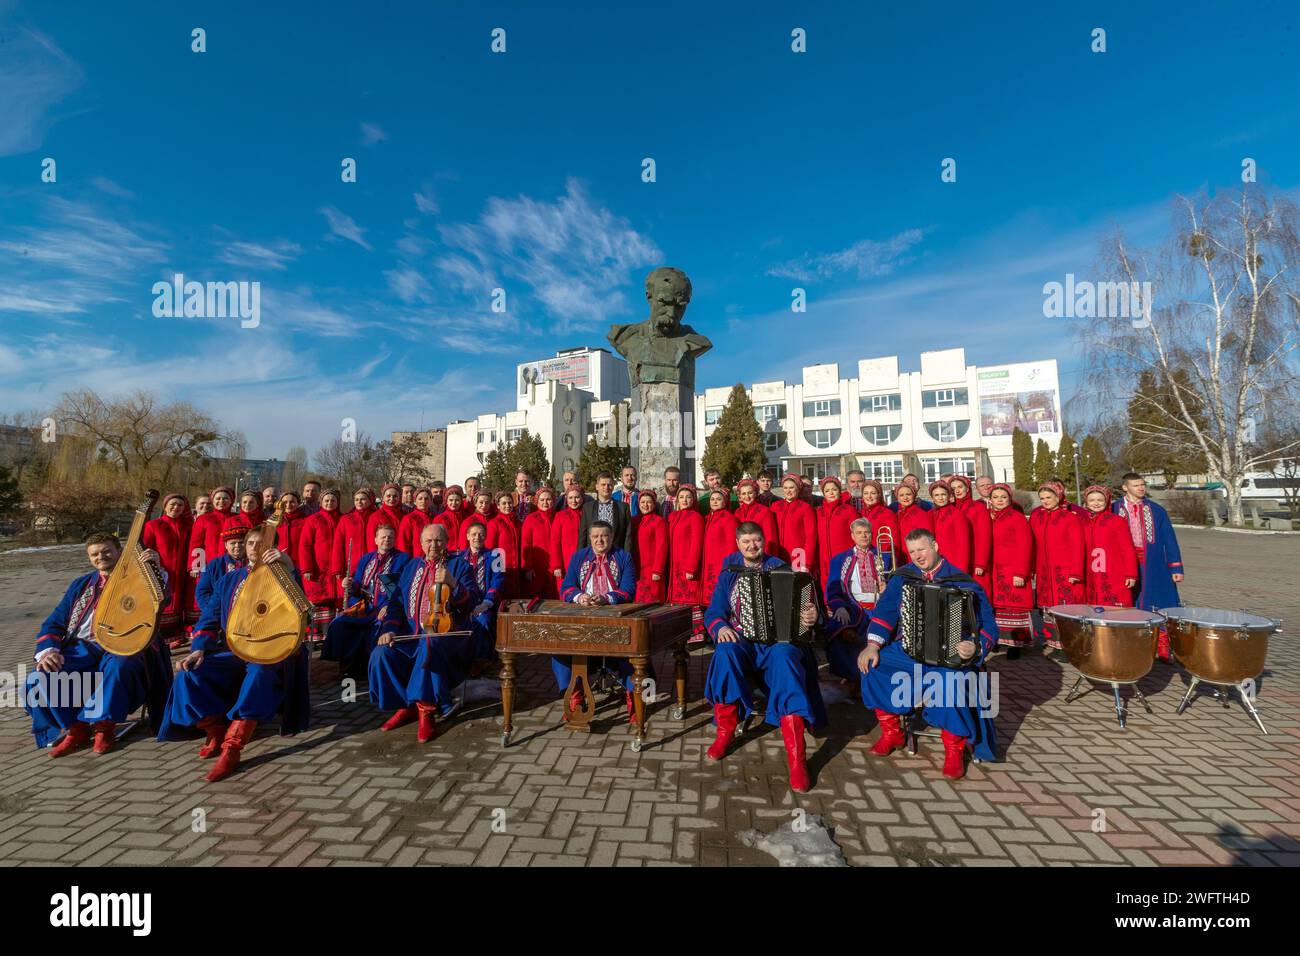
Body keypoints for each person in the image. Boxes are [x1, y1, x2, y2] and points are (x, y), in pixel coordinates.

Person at [158, 523, 310, 782]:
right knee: (187, 673)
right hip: (233, 648)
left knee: (260, 671)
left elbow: (303, 609)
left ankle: (233, 746)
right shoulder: (229, 580)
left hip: (271, 649)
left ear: (272, 549)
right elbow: (210, 618)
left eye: (261, 544)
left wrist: (289, 566)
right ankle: (215, 728)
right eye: (251, 543)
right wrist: (198, 649)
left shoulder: (283, 577)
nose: (254, 549)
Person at [857, 528, 998, 780]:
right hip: (910, 649)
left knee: (950, 682)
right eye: (912, 552)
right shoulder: (903, 577)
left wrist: (974, 647)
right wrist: (872, 645)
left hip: (952, 654)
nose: (917, 556)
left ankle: (953, 749)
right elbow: (886, 611)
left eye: (921, 549)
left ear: (935, 545)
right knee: (872, 666)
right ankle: (892, 733)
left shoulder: (962, 581)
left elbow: (988, 625)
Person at [703, 522, 826, 793]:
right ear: (738, 544)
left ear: (763, 540)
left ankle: (797, 760)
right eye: (746, 542)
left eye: (756, 540)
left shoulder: (781, 567)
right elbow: (713, 612)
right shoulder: (730, 572)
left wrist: (811, 616)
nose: (751, 546)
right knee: (725, 652)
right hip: (742, 640)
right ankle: (725, 732)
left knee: (785, 658)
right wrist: (721, 627)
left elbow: (808, 608)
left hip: (777, 643)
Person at [25, 532, 173, 754]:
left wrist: (155, 569)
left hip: (125, 643)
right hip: (83, 646)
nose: (101, 557)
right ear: (89, 557)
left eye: (106, 551)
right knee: (39, 677)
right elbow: (55, 622)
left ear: (119, 553)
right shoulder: (81, 584)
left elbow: (163, 597)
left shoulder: (139, 578)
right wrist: (48, 652)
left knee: (120, 666)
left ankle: (104, 726)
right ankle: (77, 728)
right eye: (95, 554)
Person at [369, 523, 478, 741]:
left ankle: (426, 710)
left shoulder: (459, 566)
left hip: (449, 636)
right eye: (428, 541)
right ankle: (407, 705)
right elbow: (396, 603)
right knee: (381, 654)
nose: (433, 545)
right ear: (421, 544)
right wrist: (389, 629)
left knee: (430, 643)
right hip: (411, 633)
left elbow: (472, 601)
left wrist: (453, 583)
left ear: (446, 542)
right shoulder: (410, 567)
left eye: (438, 540)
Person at [554, 521, 642, 723]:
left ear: (611, 537)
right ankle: (574, 693)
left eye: (604, 536)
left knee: (634, 646)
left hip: (615, 617)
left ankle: (632, 695)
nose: (600, 540)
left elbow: (628, 590)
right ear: (590, 538)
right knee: (559, 647)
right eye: (596, 536)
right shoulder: (579, 557)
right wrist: (579, 597)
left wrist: (607, 598)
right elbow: (566, 587)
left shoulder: (624, 557)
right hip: (584, 616)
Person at [322, 524, 410, 677]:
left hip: (386, 607)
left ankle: (370, 667)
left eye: (390, 537)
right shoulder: (366, 559)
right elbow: (358, 585)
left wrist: (390, 606)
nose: (386, 540)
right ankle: (347, 667)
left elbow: (404, 587)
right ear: (376, 539)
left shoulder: (403, 559)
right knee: (339, 623)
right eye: (383, 537)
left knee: (376, 626)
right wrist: (349, 585)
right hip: (364, 606)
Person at [823, 518, 886, 687]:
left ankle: (879, 673)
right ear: (852, 536)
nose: (864, 536)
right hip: (853, 606)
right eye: (859, 533)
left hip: (879, 607)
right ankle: (852, 673)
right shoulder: (840, 559)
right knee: (837, 628)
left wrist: (886, 588)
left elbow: (894, 585)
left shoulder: (884, 557)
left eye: (867, 532)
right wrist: (840, 607)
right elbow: (833, 588)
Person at [1114, 472, 1184, 611]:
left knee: (1155, 597)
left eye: (1142, 485)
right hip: (1121, 561)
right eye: (1136, 485)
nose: (1141, 488)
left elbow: (1169, 540)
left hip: (1152, 561)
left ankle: (1156, 628)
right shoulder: (1114, 509)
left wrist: (1176, 567)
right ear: (1125, 487)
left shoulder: (1157, 510)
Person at [1030, 482, 1086, 653]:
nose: (1045, 501)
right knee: (1047, 608)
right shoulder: (1036, 516)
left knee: (1065, 607)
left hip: (1065, 570)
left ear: (1058, 497)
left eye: (1049, 497)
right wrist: (1032, 568)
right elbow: (1031, 544)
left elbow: (1078, 546)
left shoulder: (1070, 517)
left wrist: (1076, 571)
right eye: (1042, 498)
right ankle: (1053, 642)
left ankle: (1068, 645)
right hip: (1044, 570)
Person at [143, 492, 195, 648]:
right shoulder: (153, 525)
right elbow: (146, 547)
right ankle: (158, 637)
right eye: (172, 504)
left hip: (182, 571)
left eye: (180, 505)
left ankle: (177, 635)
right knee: (163, 600)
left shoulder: (188, 525)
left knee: (180, 600)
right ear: (165, 507)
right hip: (163, 570)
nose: (176, 507)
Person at [987, 483, 1035, 652]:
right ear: (990, 500)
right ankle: (1000, 639)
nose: (999, 500)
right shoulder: (991, 516)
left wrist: (1021, 572)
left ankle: (1016, 644)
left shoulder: (1016, 517)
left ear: (1010, 499)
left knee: (1015, 607)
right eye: (996, 497)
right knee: (1000, 607)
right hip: (996, 571)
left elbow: (1025, 545)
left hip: (1013, 570)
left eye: (1003, 497)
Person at [1083, 485, 1139, 607]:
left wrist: (1131, 574)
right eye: (1092, 500)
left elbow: (1128, 549)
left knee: (1113, 607)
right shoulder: (1084, 522)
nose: (1096, 503)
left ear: (1107, 501)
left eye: (1100, 500)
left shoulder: (1117, 521)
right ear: (1086, 502)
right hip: (1091, 573)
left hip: (1114, 572)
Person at [297, 487, 342, 638]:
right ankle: (317, 636)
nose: (330, 503)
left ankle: (334, 635)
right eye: (326, 500)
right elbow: (305, 545)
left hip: (337, 569)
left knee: (337, 602)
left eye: (333, 500)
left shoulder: (343, 518)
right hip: (318, 569)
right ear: (321, 502)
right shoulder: (313, 520)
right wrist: (307, 568)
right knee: (320, 602)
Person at [460, 520, 505, 664]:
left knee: (483, 620)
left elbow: (498, 580)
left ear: (485, 537)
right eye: (473, 534)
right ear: (467, 536)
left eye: (481, 534)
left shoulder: (496, 555)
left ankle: (481, 660)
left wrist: (486, 602)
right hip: (463, 603)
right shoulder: (458, 557)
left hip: (484, 602)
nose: (477, 537)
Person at [667, 485, 707, 641]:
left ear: (693, 499)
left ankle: (696, 633)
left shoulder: (696, 517)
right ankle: (678, 632)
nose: (685, 500)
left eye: (688, 497)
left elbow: (697, 543)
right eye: (682, 497)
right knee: (677, 599)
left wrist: (691, 567)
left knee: (689, 598)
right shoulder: (673, 516)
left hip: (687, 565)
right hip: (674, 565)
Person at [950, 475, 992, 596]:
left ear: (967, 488)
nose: (957, 491)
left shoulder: (978, 507)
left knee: (978, 590)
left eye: (960, 487)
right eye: (953, 489)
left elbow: (985, 536)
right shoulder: (951, 508)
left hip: (976, 556)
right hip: (958, 557)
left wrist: (981, 562)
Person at [771, 474, 817, 575]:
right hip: (778, 555)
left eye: (792, 487)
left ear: (798, 488)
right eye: (785, 488)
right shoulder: (775, 506)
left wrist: (806, 562)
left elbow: (811, 537)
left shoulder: (805, 508)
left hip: (797, 556)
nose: (788, 491)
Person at [578, 472, 634, 554]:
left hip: (616, 554)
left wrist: (627, 556)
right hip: (593, 555)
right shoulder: (587, 508)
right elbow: (583, 535)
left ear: (613, 486)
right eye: (603, 485)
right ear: (597, 486)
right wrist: (581, 556)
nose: (606, 487)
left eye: (609, 485)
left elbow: (628, 535)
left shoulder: (623, 507)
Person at [815, 476, 857, 583]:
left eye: (834, 489)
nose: (831, 493)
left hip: (844, 556)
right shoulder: (818, 512)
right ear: (823, 493)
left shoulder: (849, 510)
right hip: (823, 558)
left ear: (839, 491)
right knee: (826, 586)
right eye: (827, 490)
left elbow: (857, 533)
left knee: (845, 585)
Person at [189, 485, 236, 582]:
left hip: (232, 565)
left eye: (225, 498)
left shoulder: (237, 518)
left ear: (231, 501)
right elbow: (196, 543)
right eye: (218, 498)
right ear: (213, 501)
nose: (221, 501)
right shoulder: (204, 519)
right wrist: (196, 565)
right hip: (208, 564)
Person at [701, 488, 741, 601]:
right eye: (712, 499)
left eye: (718, 499)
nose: (715, 502)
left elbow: (732, 545)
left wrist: (729, 566)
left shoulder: (729, 519)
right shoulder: (707, 519)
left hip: (721, 564)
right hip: (709, 563)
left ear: (725, 501)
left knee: (722, 596)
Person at [330, 488, 376, 584]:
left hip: (374, 564)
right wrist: (338, 568)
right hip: (352, 566)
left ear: (370, 501)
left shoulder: (376, 516)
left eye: (363, 499)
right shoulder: (346, 519)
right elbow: (338, 544)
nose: (359, 502)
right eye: (356, 499)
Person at [928, 480, 973, 574]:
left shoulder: (957, 515)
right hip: (933, 562)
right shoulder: (929, 514)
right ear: (932, 498)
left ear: (949, 496)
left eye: (943, 494)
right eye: (936, 495)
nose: (940, 498)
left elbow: (963, 544)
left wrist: (961, 570)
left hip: (952, 562)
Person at [520, 486, 558, 599]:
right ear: (537, 501)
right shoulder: (531, 519)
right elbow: (526, 544)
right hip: (537, 567)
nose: (545, 502)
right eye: (542, 500)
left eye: (548, 499)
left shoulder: (558, 516)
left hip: (556, 566)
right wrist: (528, 567)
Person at [632, 489, 669, 602]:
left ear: (654, 504)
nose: (645, 505)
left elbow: (662, 547)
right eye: (642, 502)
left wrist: (657, 570)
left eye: (649, 502)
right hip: (637, 567)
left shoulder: (659, 521)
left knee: (652, 600)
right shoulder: (635, 520)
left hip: (652, 569)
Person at [549, 486, 585, 594]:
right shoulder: (560, 516)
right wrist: (557, 565)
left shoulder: (586, 514)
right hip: (565, 562)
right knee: (567, 592)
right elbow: (555, 542)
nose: (574, 501)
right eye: (571, 498)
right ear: (566, 499)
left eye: (577, 497)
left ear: (582, 498)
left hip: (584, 561)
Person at [860, 479, 902, 572]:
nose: (869, 496)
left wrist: (890, 562)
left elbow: (894, 541)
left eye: (873, 493)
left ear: (879, 494)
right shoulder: (861, 513)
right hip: (863, 560)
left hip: (882, 561)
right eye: (866, 493)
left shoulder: (887, 513)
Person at [487, 490, 522, 597]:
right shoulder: (494, 523)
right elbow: (490, 548)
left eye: (510, 503)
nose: (508, 506)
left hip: (517, 569)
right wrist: (496, 569)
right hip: (502, 568)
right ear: (498, 506)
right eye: (504, 503)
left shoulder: (518, 522)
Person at [734, 478, 779, 556]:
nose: (747, 496)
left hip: (759, 554)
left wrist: (769, 558)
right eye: (743, 494)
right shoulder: (737, 512)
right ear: (740, 495)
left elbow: (770, 538)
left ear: (755, 493)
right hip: (743, 555)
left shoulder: (764, 511)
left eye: (750, 493)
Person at [397, 488, 438, 558]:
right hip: (416, 559)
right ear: (415, 501)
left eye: (426, 498)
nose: (423, 501)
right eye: (420, 499)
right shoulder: (409, 519)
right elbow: (403, 542)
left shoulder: (435, 517)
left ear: (430, 501)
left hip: (434, 558)